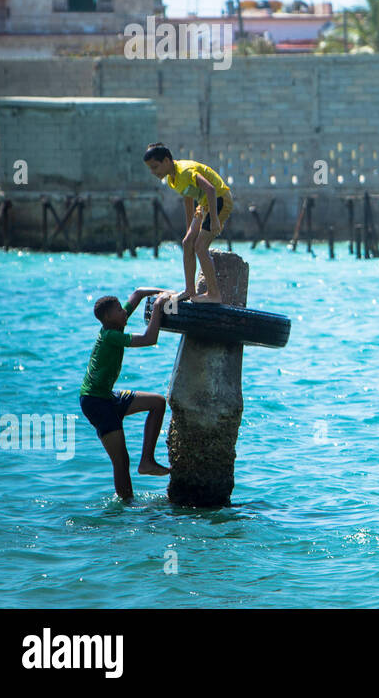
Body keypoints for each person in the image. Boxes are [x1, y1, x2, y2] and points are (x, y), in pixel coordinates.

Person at [80, 288, 176, 501]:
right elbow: (150, 338)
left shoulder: (117, 322)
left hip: (109, 396)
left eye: (124, 309)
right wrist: (158, 306)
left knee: (158, 403)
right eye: (119, 311)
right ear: (107, 318)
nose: (125, 313)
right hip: (95, 401)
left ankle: (147, 461)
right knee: (121, 461)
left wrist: (166, 292)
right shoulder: (111, 336)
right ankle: (126, 505)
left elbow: (139, 293)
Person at [142, 143, 233, 303]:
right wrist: (190, 228)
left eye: (155, 167)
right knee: (187, 242)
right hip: (205, 204)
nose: (153, 172)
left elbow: (210, 189)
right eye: (150, 169)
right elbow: (188, 197)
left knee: (200, 247)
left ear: (166, 161)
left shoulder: (184, 171)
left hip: (219, 199)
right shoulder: (172, 179)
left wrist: (214, 219)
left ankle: (214, 294)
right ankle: (189, 290)